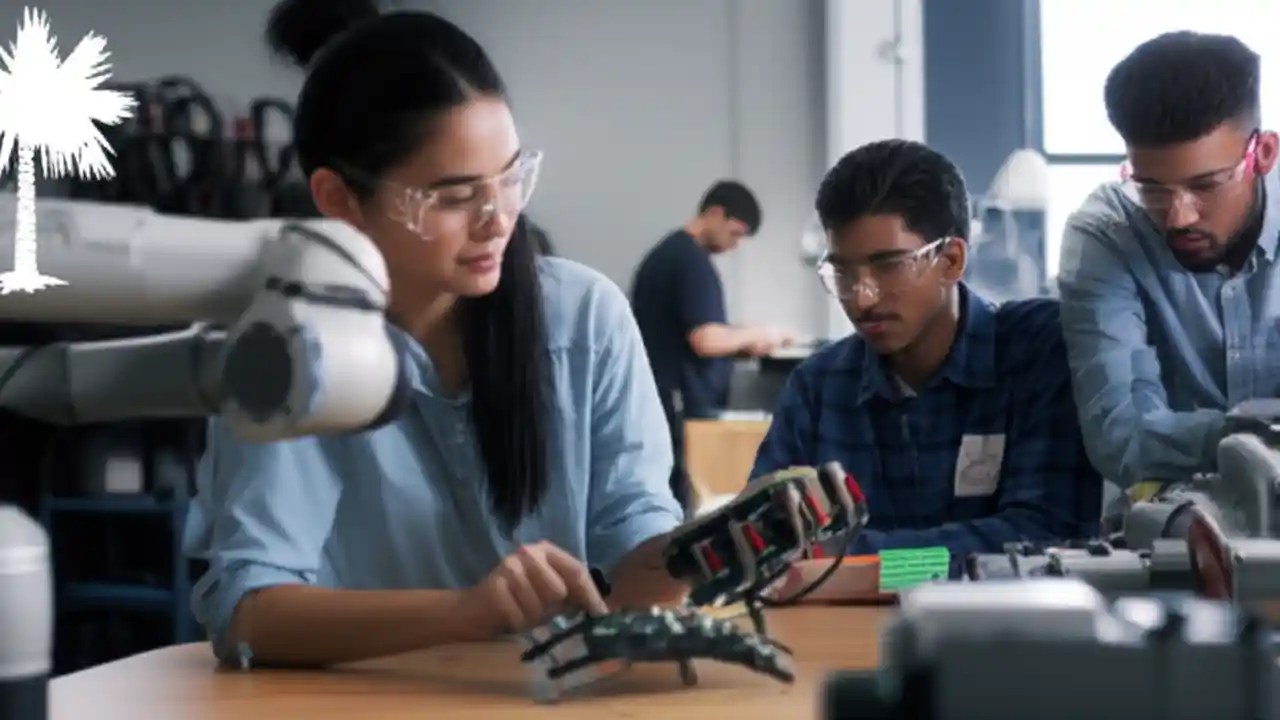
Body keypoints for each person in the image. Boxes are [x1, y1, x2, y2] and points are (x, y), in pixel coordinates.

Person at [182, 0, 687, 668]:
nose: (498, 219)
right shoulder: (291, 358)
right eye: (454, 197)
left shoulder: (586, 319)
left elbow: (636, 538)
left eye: (511, 178)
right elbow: (249, 614)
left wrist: (704, 555)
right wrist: (465, 612)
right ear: (338, 199)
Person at [753, 140, 1101, 579]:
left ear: (951, 260)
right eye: (843, 272)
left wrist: (859, 567)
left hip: (1002, 623)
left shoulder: (1035, 352)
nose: (862, 298)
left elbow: (1044, 540)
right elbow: (765, 548)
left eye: (889, 266)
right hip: (843, 623)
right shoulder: (818, 387)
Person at [1058, 31, 1280, 492]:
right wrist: (1261, 435)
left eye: (1205, 185)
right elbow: (1120, 437)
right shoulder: (1107, 233)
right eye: (1151, 189)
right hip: (1166, 521)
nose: (1179, 217)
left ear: (1262, 154)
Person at [631, 181, 795, 509]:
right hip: (679, 405)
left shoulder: (672, 254)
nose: (735, 245)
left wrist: (742, 341)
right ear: (715, 214)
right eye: (734, 234)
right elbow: (705, 339)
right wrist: (762, 333)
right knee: (683, 499)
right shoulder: (688, 261)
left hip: (669, 400)